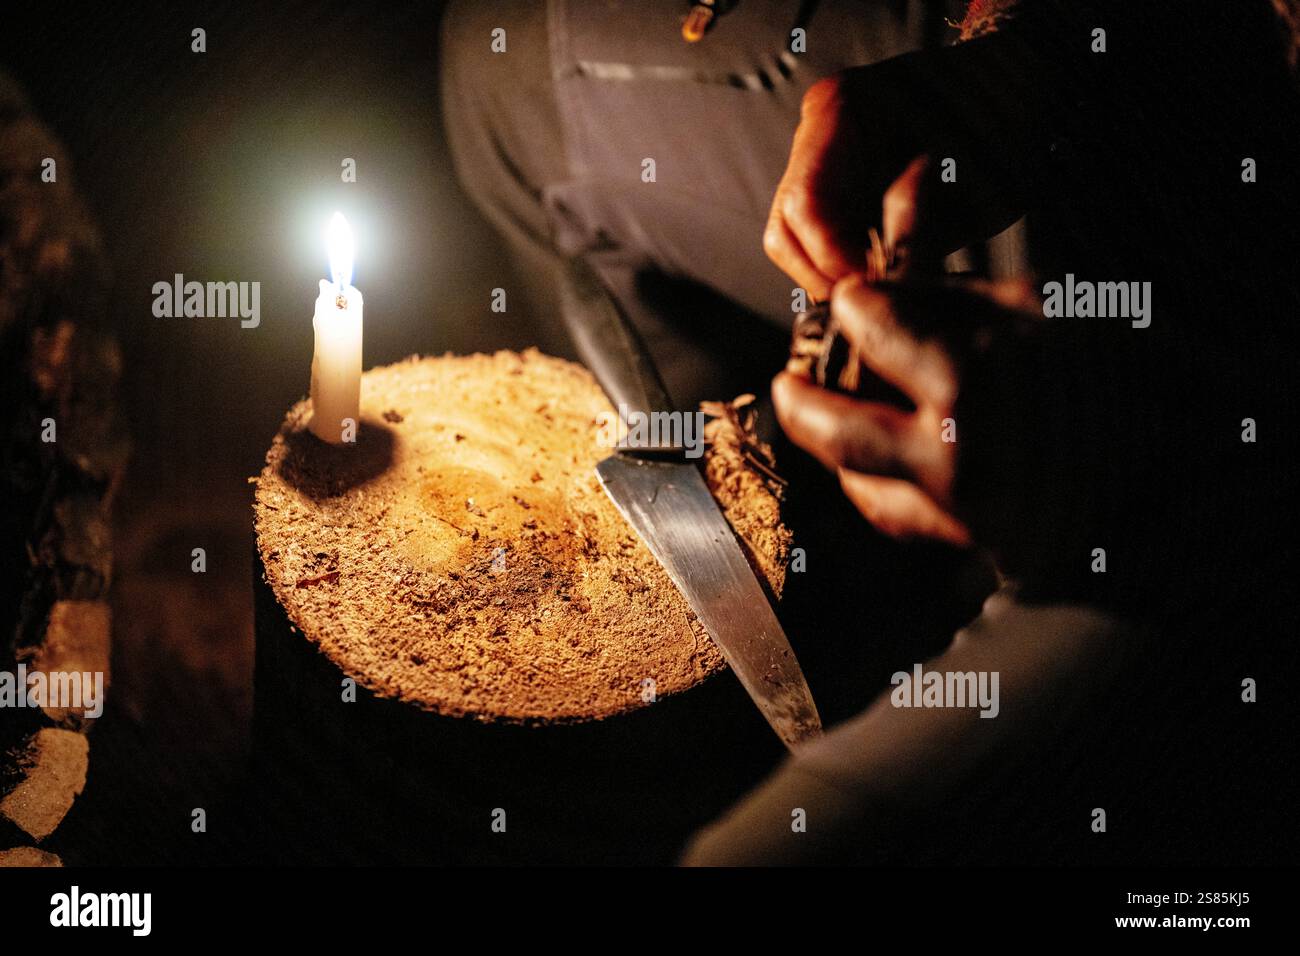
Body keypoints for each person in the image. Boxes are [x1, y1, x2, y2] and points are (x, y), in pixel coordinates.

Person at [442, 0, 1300, 864]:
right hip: (1209, 95)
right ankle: (768, 531)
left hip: (1224, 527)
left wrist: (1184, 421)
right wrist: (1042, 56)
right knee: (500, 69)